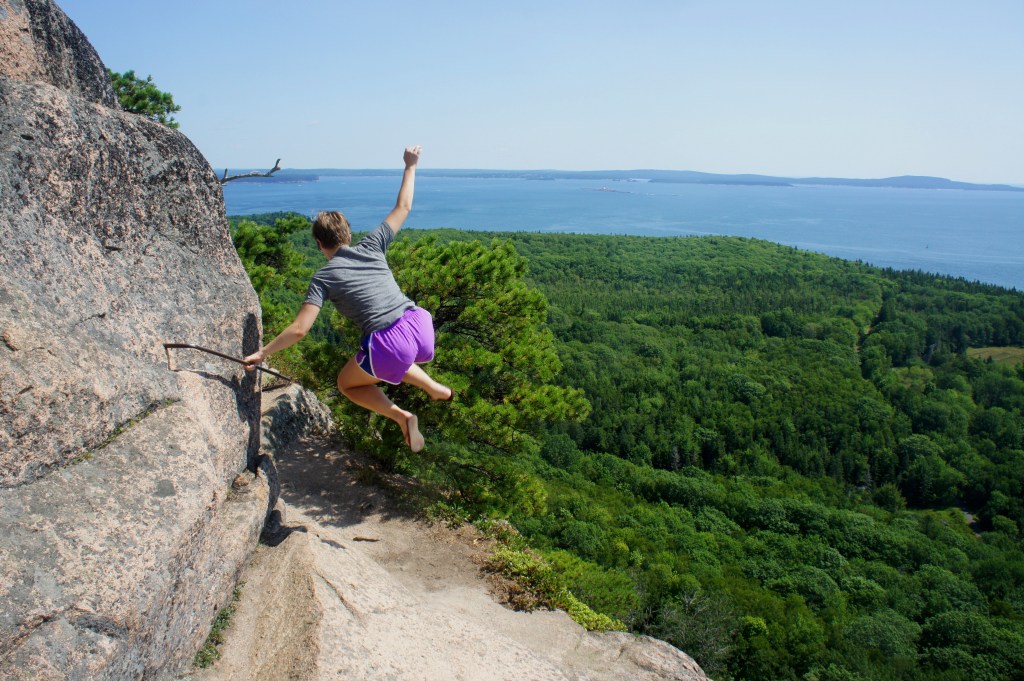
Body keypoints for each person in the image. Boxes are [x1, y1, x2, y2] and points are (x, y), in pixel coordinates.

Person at [243, 145, 452, 452]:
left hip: (389, 343)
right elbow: (404, 207)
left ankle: (402, 417)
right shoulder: (373, 245)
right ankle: (434, 387)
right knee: (396, 356)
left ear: (319, 244)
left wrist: (263, 353)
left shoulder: (323, 278)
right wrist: (410, 165)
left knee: (347, 383)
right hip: (419, 325)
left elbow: (300, 330)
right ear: (348, 235)